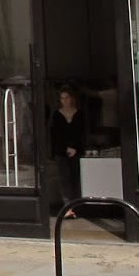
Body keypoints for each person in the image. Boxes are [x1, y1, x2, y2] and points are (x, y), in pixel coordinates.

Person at [48, 85, 85, 213]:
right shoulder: (57, 114)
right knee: (64, 178)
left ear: (72, 98)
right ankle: (68, 206)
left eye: (67, 98)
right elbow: (56, 134)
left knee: (76, 177)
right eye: (62, 98)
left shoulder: (79, 114)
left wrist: (75, 148)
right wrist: (64, 148)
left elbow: (81, 133)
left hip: (77, 150)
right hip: (61, 151)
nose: (65, 101)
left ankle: (78, 204)